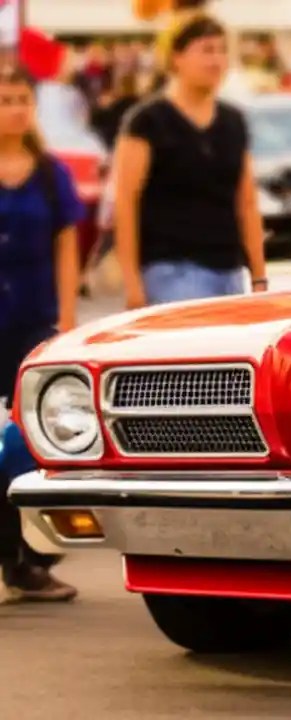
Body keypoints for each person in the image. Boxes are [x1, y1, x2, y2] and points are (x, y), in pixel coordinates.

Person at [113, 13, 268, 309]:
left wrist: (259, 277)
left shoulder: (234, 121)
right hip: (172, 270)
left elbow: (247, 202)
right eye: (206, 50)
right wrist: (132, 285)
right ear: (176, 58)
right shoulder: (147, 120)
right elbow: (125, 204)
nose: (217, 60)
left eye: (222, 50)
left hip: (229, 271)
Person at [0, 64, 84, 602]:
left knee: (33, 445)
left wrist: (69, 324)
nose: (15, 108)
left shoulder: (52, 175)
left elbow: (67, 248)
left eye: (22, 99)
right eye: (5, 99)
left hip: (32, 326)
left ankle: (30, 558)